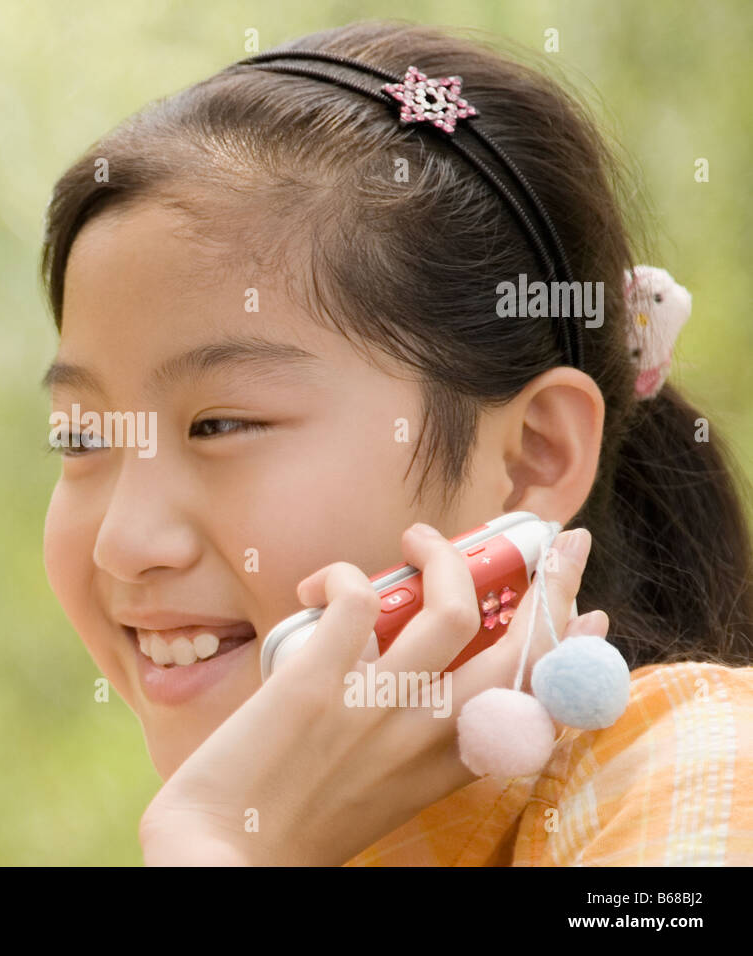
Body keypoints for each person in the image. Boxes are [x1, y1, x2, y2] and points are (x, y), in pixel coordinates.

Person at [38, 20, 753, 865]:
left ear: (531, 457)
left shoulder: (700, 768)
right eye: (84, 436)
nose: (124, 544)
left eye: (221, 425)